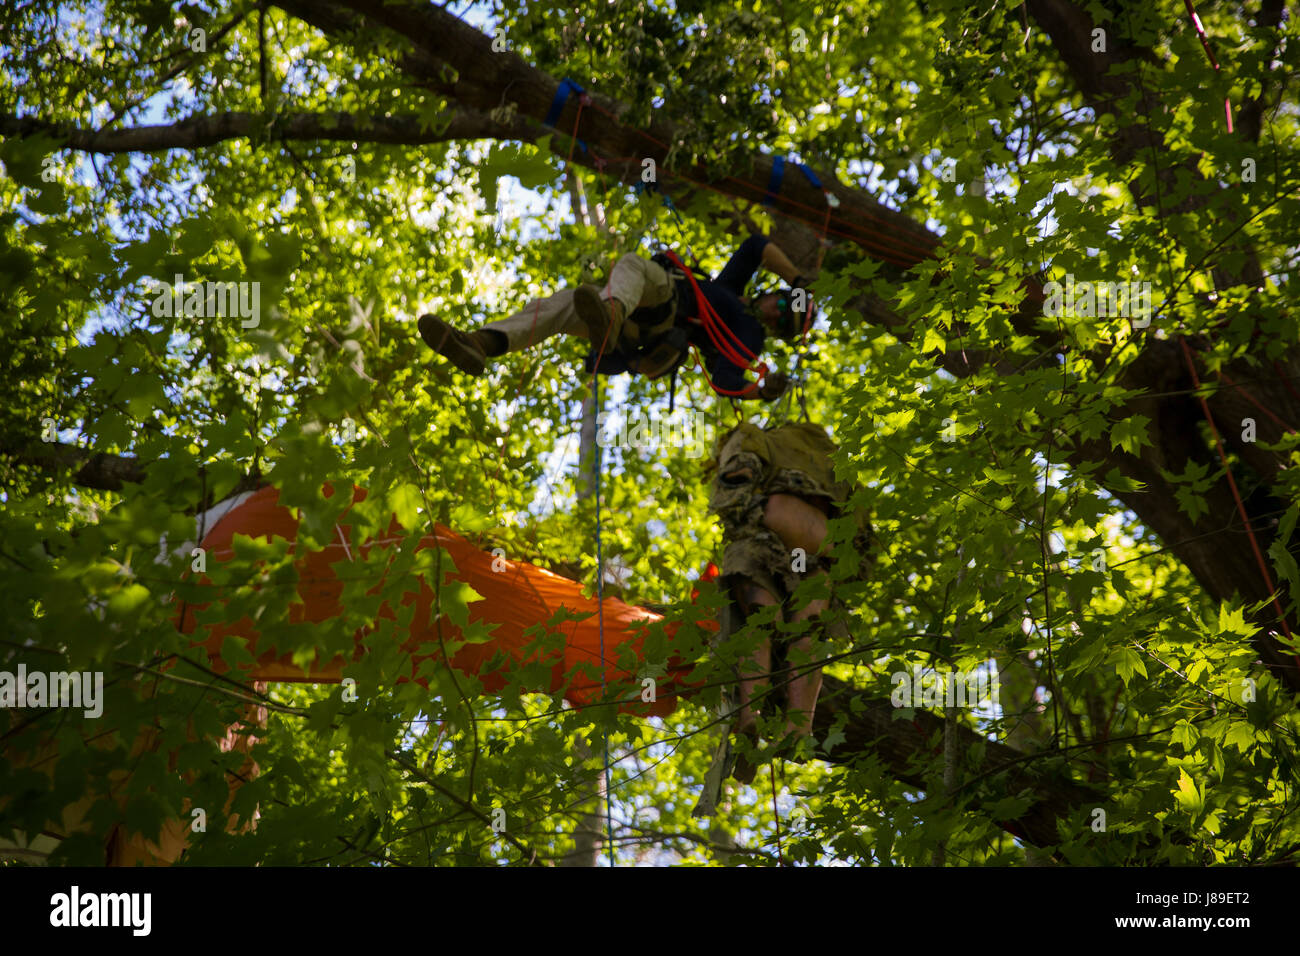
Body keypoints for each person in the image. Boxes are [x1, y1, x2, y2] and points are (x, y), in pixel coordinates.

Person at [417, 235, 814, 401]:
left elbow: (727, 380)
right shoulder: (732, 289)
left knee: (631, 264)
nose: (774, 313)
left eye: (783, 320)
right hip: (633, 320)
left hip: (662, 307)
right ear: (774, 293)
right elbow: (757, 246)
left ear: (776, 332)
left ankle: (610, 316)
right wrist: (797, 280)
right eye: (782, 304)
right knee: (560, 305)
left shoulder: (746, 338)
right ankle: (481, 343)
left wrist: (759, 392)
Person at [706, 420, 872, 782]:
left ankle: (749, 719)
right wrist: (846, 568)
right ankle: (800, 729)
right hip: (820, 545)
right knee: (808, 631)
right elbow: (862, 528)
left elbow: (738, 472)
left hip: (773, 523)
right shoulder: (839, 460)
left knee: (758, 617)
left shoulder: (756, 434)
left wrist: (741, 513)